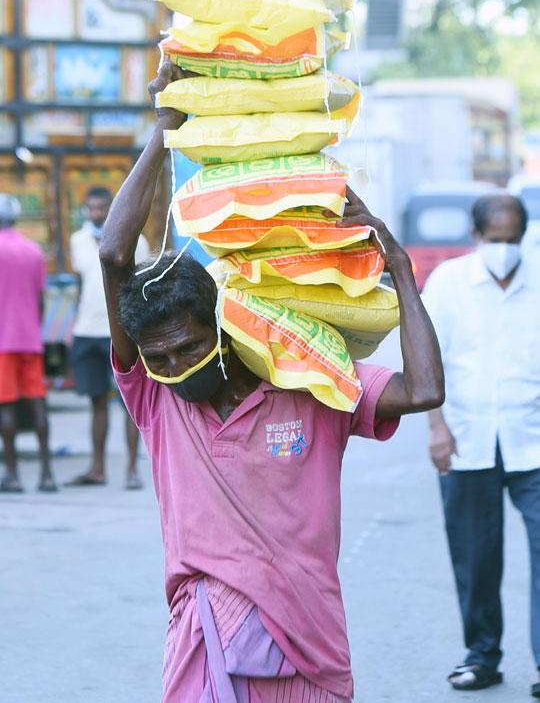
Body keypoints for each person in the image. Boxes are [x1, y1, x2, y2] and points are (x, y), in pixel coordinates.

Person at [98, 62, 445, 702]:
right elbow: (115, 257)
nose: (175, 368)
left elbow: (423, 392)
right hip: (206, 629)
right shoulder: (153, 396)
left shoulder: (310, 377)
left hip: (309, 634)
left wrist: (399, 267)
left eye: (189, 348)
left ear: (224, 327)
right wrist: (165, 129)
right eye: (161, 357)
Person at [423, 194, 540, 696]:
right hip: (467, 440)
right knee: (476, 557)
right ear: (477, 237)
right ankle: (482, 656)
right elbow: (426, 358)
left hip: (533, 443)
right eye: (496, 240)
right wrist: (436, 428)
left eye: (513, 239)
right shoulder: (449, 283)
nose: (505, 249)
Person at [65, 186, 149, 489]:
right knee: (96, 402)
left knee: (130, 405)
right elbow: (80, 285)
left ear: (112, 209)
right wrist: (72, 326)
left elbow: (143, 286)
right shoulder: (77, 241)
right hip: (86, 331)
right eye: (91, 208)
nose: (96, 213)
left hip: (122, 332)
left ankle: (131, 470)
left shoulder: (137, 242)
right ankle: (97, 468)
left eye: (102, 208)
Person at [0, 193, 56, 492]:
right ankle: (47, 474)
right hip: (30, 339)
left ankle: (12, 475)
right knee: (37, 401)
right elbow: (39, 298)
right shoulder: (33, 251)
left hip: (2, 342)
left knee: (6, 405)